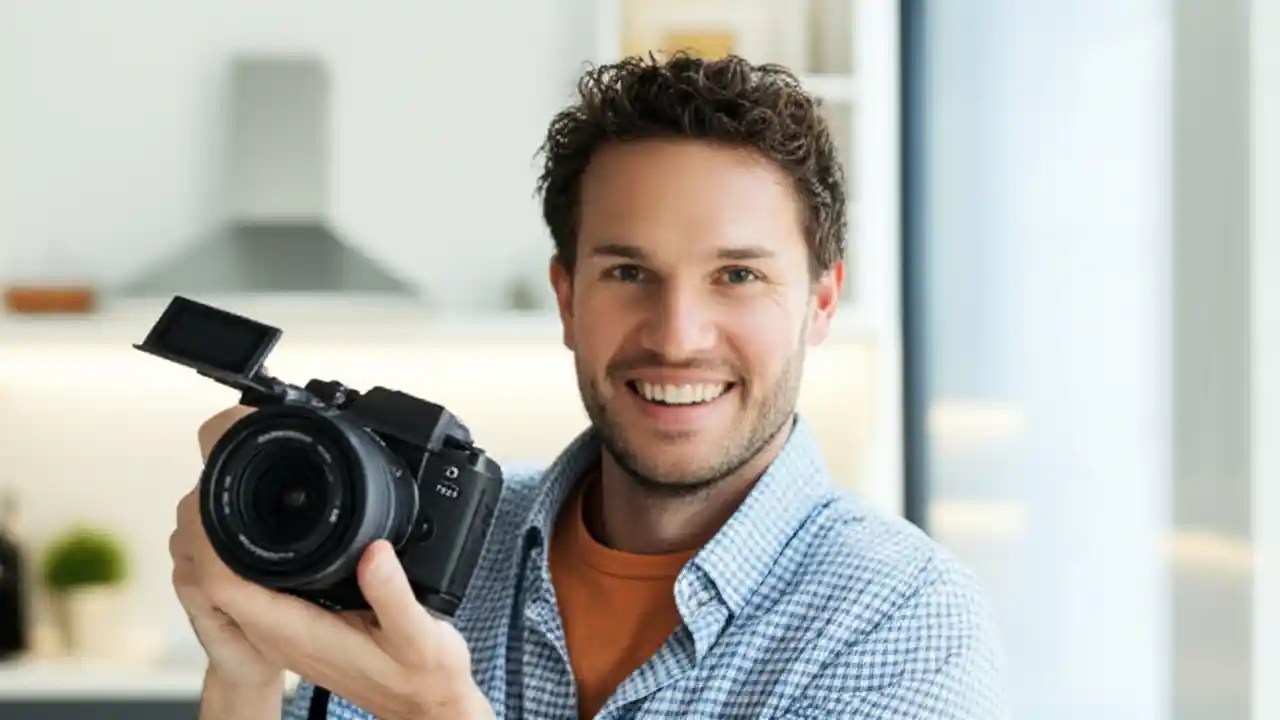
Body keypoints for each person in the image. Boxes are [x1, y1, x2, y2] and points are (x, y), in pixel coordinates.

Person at [169, 51, 1007, 719]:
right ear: (568, 300)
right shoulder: (417, 541)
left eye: (738, 276)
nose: (676, 336)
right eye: (629, 272)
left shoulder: (901, 619)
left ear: (820, 305)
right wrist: (243, 676)